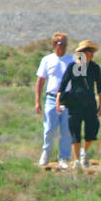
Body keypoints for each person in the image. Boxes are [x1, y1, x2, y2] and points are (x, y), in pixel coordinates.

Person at [56, 41, 101, 167]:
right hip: (75, 103)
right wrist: (58, 100)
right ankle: (77, 160)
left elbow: (100, 87)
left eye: (93, 52)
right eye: (89, 51)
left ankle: (85, 152)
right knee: (75, 132)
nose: (92, 54)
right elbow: (63, 84)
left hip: (90, 104)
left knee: (92, 129)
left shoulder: (95, 68)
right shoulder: (72, 67)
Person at [35, 31, 74, 168]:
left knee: (66, 130)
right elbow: (40, 81)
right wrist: (37, 101)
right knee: (50, 128)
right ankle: (46, 153)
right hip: (51, 98)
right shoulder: (47, 60)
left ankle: (64, 158)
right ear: (54, 44)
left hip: (67, 99)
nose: (63, 46)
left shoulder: (72, 60)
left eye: (65, 44)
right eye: (60, 44)